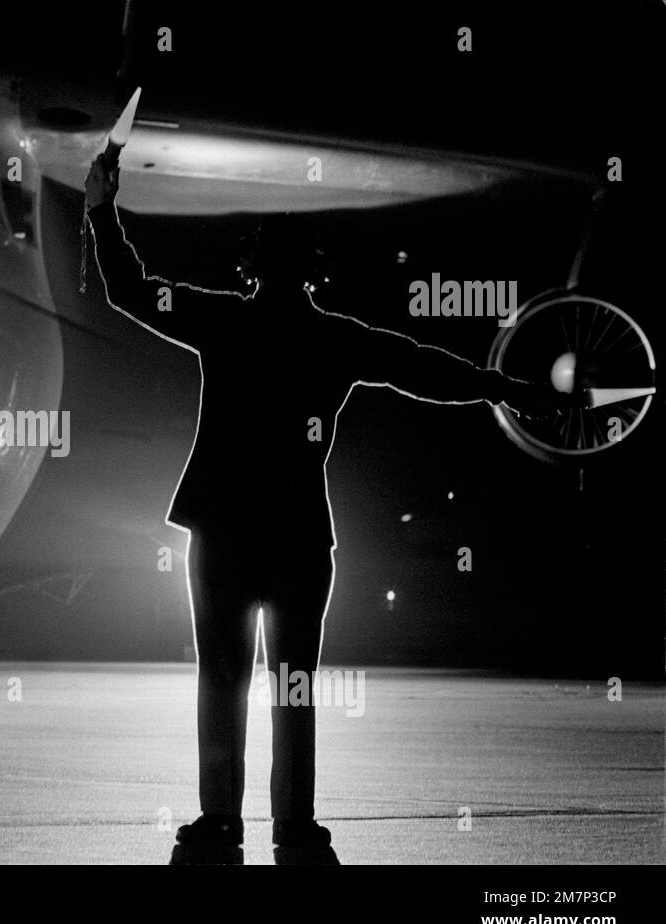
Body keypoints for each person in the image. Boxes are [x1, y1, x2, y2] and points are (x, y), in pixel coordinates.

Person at [84, 156, 550, 865]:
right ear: (312, 275)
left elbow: (128, 290)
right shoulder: (337, 337)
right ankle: (294, 827)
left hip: (223, 527)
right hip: (300, 534)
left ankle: (221, 822)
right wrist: (500, 385)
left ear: (251, 269)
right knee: (293, 686)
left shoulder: (224, 321)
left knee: (222, 677)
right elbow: (423, 365)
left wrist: (100, 209)